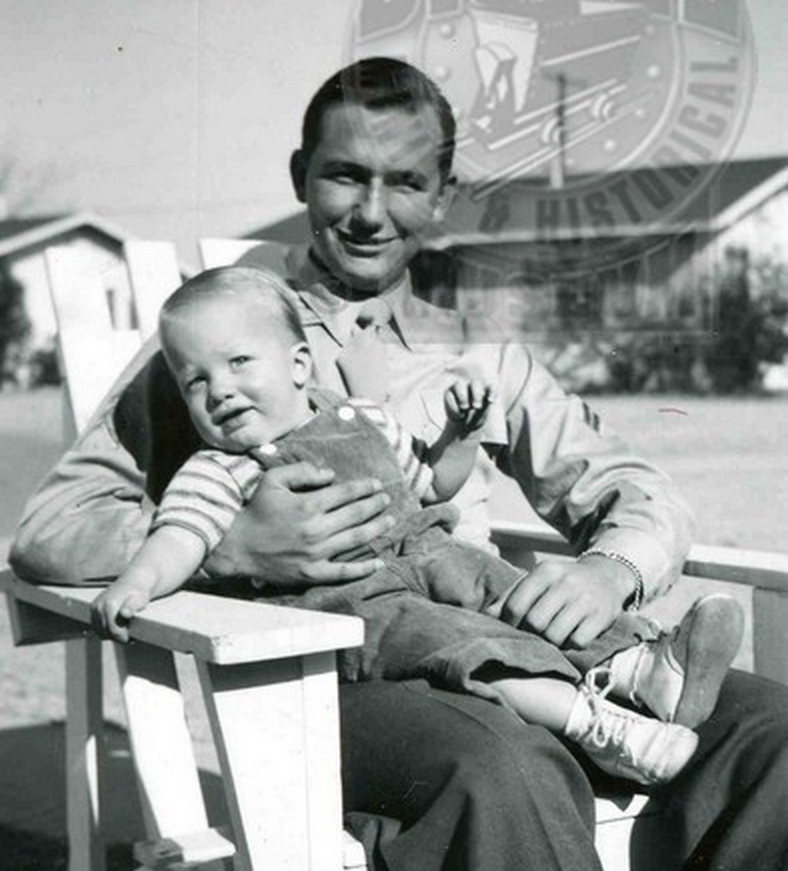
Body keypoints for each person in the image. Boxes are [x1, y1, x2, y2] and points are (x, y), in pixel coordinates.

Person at [11, 57, 788, 871]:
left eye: (406, 182)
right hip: (335, 678)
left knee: (768, 733)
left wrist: (609, 569)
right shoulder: (222, 338)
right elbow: (53, 525)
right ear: (301, 176)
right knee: (498, 765)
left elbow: (635, 488)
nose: (372, 212)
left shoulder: (482, 355)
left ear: (442, 197)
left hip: (504, 639)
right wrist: (231, 547)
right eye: (346, 175)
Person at [91, 264, 741, 785]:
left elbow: (430, 485)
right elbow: (180, 538)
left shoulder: (362, 418)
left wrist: (461, 436)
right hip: (352, 605)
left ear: (298, 366)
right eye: (196, 382)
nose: (220, 391)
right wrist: (137, 584)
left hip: (431, 552)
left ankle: (641, 666)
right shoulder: (218, 470)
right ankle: (601, 728)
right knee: (458, 639)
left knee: (510, 591)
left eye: (239, 364)